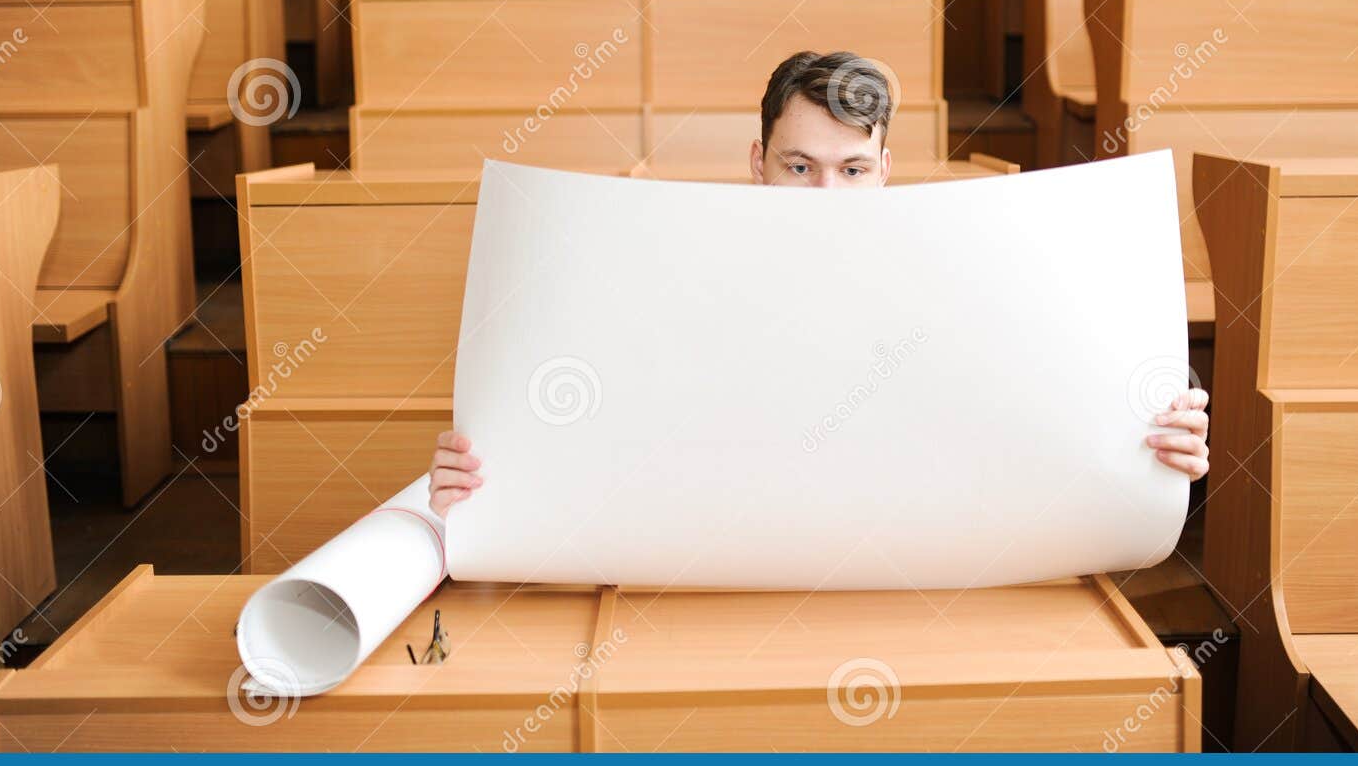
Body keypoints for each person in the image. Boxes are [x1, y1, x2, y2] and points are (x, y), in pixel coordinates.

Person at [429, 50, 1210, 517]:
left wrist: (1146, 444)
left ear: (885, 171)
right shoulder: (671, 276)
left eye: (853, 169)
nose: (827, 195)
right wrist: (488, 477)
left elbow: (1025, 425)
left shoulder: (965, 281)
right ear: (758, 163)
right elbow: (605, 438)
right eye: (800, 166)